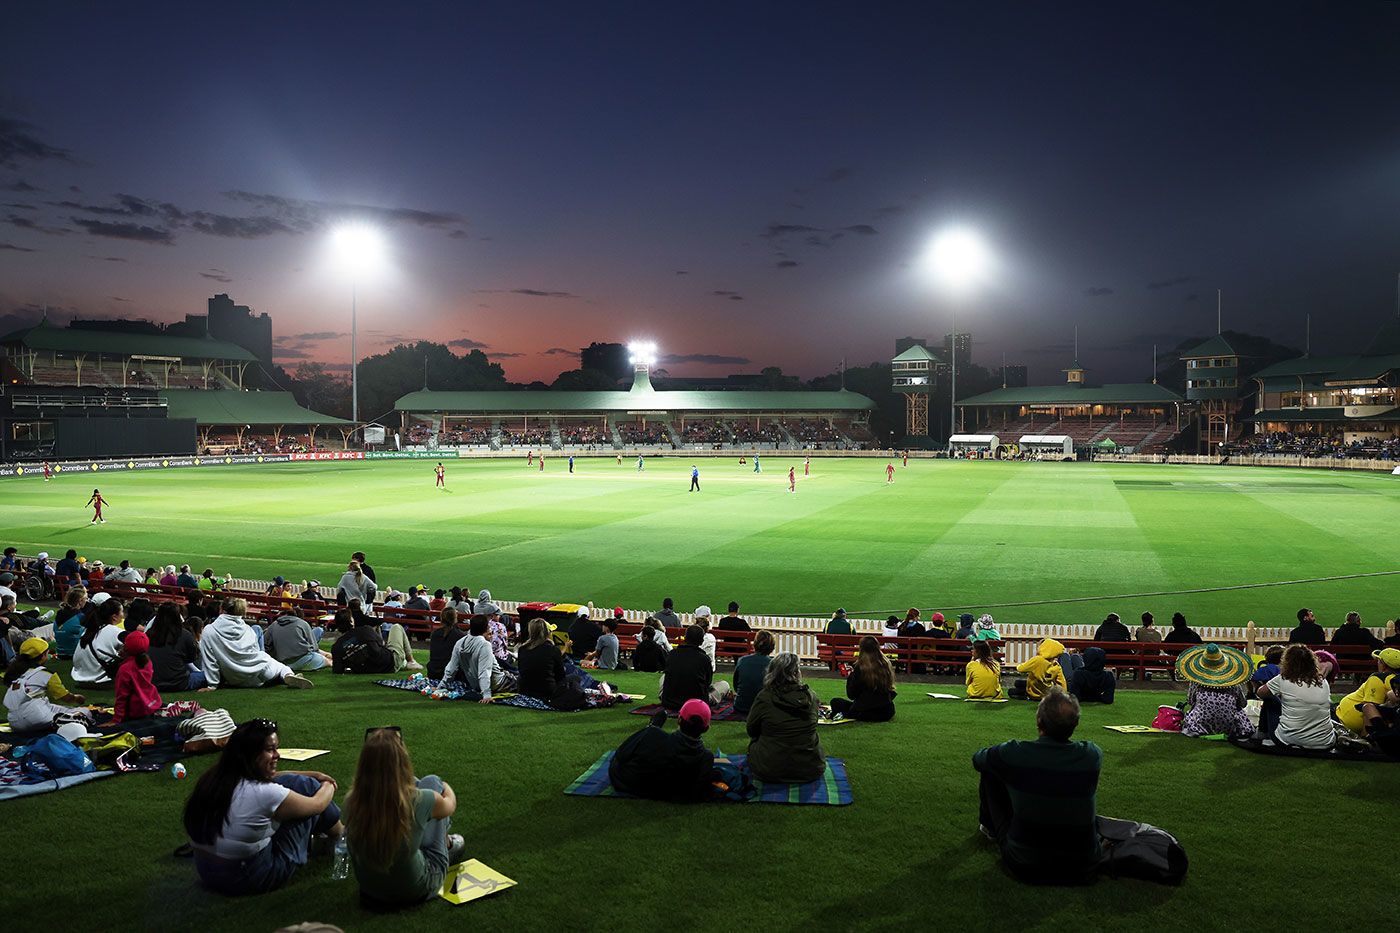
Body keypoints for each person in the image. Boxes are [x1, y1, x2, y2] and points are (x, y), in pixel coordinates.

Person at [183, 719, 342, 895]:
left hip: (207, 871)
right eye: (270, 750)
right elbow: (317, 805)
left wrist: (314, 774)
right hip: (248, 877)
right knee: (308, 788)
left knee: (293, 782)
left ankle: (335, 836)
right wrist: (327, 784)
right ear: (250, 754)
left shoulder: (214, 778)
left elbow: (276, 777)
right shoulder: (263, 793)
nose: (277, 755)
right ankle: (342, 838)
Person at [972, 690, 1102, 883]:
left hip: (1025, 863)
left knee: (990, 769)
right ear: (1075, 724)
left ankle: (990, 829)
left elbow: (978, 759)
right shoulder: (1091, 755)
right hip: (1083, 866)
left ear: (1039, 721)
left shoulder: (1015, 752)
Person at [346, 728, 464, 908]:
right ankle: (448, 845)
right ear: (401, 762)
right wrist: (444, 786)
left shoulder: (352, 801)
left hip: (371, 892)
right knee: (433, 782)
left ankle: (442, 843)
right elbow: (450, 806)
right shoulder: (420, 800)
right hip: (416, 889)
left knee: (422, 786)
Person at [609, 699, 716, 803]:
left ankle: (653, 724)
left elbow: (621, 754)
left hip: (627, 783)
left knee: (649, 733)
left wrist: (651, 729)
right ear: (706, 728)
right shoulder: (706, 758)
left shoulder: (654, 736)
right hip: (666, 792)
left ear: (679, 719)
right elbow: (696, 793)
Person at [745, 652, 825, 783]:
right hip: (810, 768)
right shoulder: (811, 697)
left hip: (769, 769)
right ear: (797, 672)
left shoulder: (764, 697)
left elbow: (752, 730)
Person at [202, 598, 314, 690]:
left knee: (270, 663)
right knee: (282, 668)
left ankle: (286, 676)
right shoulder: (247, 629)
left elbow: (210, 659)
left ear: (221, 609)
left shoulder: (209, 630)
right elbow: (254, 652)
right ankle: (288, 675)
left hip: (235, 677)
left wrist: (212, 685)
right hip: (259, 670)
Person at [1258, 645, 1338, 750]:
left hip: (1288, 740)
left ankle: (1261, 733)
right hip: (1325, 743)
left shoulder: (1283, 679)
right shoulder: (1323, 681)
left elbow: (1260, 693)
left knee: (1270, 698)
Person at [4, 637, 92, 732]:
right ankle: (63, 722)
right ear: (42, 656)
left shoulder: (14, 673)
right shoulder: (46, 674)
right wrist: (77, 698)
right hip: (36, 718)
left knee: (50, 706)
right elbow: (67, 698)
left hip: (14, 722)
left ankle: (60, 720)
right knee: (84, 712)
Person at [515, 619, 587, 710]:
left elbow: (522, 670)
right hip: (547, 692)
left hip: (525, 690)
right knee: (576, 678)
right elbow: (561, 676)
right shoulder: (552, 650)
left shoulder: (522, 649)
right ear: (547, 633)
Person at [443, 616, 516, 701]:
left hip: (476, 686)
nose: (492, 636)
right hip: (500, 684)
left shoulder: (460, 643)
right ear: (484, 630)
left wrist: (441, 687)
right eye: (489, 633)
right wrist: (486, 695)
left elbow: (451, 668)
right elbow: (484, 671)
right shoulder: (485, 645)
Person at [830, 635, 896, 722]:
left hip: (866, 710)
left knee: (835, 702)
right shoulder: (885, 664)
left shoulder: (861, 668)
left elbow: (852, 695)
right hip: (887, 710)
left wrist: (851, 676)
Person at [1336, 648, 1400, 736]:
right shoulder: (1396, 681)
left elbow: (1368, 711)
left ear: (1383, 665)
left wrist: (1363, 738)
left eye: (1378, 661)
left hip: (1343, 721)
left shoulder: (1378, 679)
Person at [148, 602, 207, 692]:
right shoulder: (184, 634)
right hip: (179, 683)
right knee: (208, 674)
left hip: (152, 681)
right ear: (178, 616)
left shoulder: (149, 634)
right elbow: (192, 657)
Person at [659, 625, 719, 710]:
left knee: (663, 678)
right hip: (696, 702)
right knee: (724, 685)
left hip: (670, 701)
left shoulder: (672, 654)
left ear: (685, 638)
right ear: (701, 641)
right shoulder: (704, 659)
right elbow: (707, 683)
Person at [110, 630, 163, 724]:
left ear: (126, 647)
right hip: (151, 705)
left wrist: (116, 720)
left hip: (135, 711)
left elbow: (122, 697)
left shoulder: (125, 669)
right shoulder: (147, 662)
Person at [72, 598, 126, 688]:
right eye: (122, 612)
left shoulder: (89, 629)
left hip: (80, 678)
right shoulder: (115, 631)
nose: (123, 615)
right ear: (114, 616)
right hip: (99, 680)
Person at [265, 613, 331, 672]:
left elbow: (266, 645)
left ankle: (326, 656)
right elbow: (314, 648)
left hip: (281, 662)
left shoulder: (273, 625)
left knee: (318, 631)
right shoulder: (302, 623)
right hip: (301, 659)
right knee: (328, 661)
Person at [733, 630, 775, 715]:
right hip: (764, 708)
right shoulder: (773, 664)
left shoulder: (742, 660)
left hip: (741, 706)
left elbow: (736, 684)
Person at [427, 607, 465, 680]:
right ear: (455, 618)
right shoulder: (460, 635)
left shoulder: (435, 633)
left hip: (433, 672)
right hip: (450, 674)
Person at [53, 585, 88, 659]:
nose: (87, 600)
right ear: (80, 601)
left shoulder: (59, 613)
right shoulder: (80, 616)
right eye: (86, 598)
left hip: (60, 652)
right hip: (73, 653)